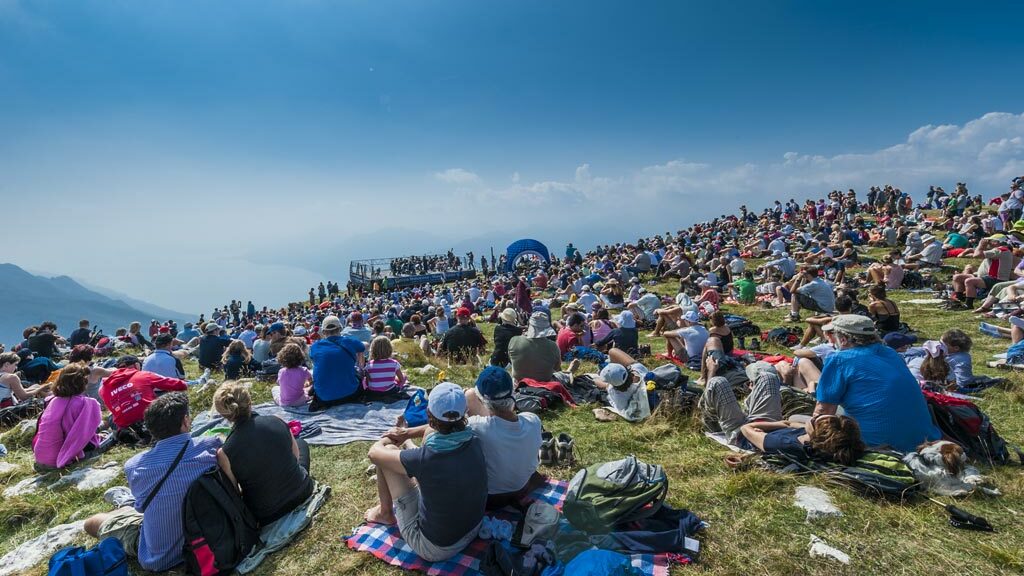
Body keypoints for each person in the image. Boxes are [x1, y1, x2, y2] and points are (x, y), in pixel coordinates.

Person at [84, 393, 221, 571]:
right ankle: (125, 502)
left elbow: (141, 509)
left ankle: (124, 502)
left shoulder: (134, 466)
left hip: (161, 557)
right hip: (209, 540)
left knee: (90, 523)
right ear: (186, 421)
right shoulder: (211, 447)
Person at [364, 383, 487, 562]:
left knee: (387, 455)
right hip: (473, 528)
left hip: (436, 548)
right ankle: (405, 449)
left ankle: (385, 513)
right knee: (412, 451)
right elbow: (434, 429)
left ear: (429, 414)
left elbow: (374, 454)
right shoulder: (475, 438)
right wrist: (406, 434)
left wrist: (388, 438)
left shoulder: (426, 459)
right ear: (465, 412)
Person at [812, 315, 941, 452]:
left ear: (843, 339)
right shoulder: (890, 353)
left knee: (802, 424)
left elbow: (824, 412)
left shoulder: (839, 359)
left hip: (876, 444)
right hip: (924, 441)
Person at [213, 382, 315, 526]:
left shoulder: (224, 453)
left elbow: (235, 493)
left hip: (267, 514)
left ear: (223, 414)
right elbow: (296, 457)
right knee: (301, 443)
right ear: (250, 401)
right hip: (302, 491)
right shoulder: (276, 420)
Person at [32, 365, 104, 471]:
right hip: (58, 460)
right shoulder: (86, 403)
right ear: (83, 383)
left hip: (40, 458)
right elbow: (86, 432)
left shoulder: (51, 400)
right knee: (108, 437)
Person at [699, 360, 782, 446]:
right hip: (768, 428)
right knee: (768, 377)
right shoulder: (774, 389)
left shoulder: (782, 394)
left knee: (717, 382)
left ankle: (710, 425)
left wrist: (711, 371)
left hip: (742, 435)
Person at [100, 355, 188, 433]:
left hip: (126, 429)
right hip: (151, 420)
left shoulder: (103, 389)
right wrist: (186, 384)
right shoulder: (143, 375)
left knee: (111, 416)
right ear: (137, 365)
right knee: (173, 397)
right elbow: (178, 384)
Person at [740, 414, 866, 465]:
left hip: (740, 435)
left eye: (815, 419)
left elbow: (745, 428)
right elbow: (788, 423)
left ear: (814, 433)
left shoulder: (785, 444)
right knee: (769, 378)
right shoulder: (812, 440)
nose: (814, 416)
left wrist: (760, 429)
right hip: (763, 428)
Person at [308, 315, 366, 410]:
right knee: (358, 371)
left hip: (324, 398)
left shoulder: (315, 346)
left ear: (323, 332)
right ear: (340, 328)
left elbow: (313, 358)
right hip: (350, 394)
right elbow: (363, 347)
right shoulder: (348, 341)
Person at [508, 312, 562, 382]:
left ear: (529, 325)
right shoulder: (553, 346)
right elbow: (557, 368)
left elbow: (511, 360)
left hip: (519, 383)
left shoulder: (514, 340)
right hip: (544, 384)